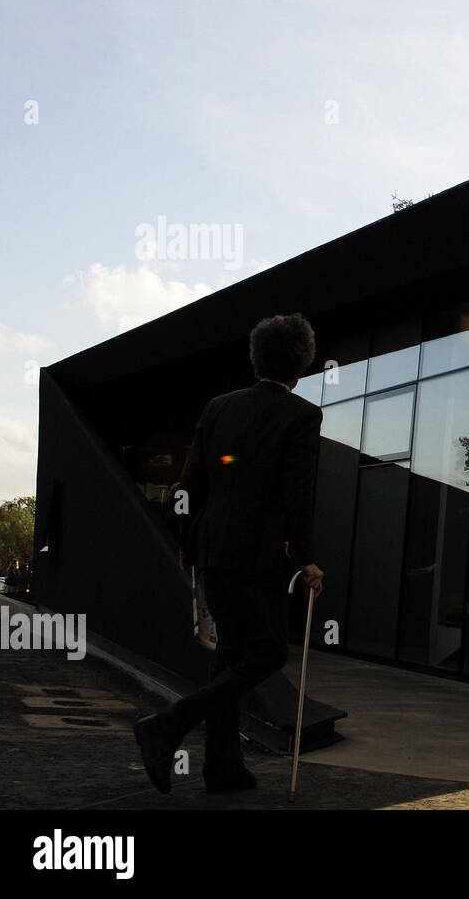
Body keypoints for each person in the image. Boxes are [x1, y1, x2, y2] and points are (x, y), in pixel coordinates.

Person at [133, 313, 325, 794]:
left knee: (230, 657)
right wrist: (304, 558)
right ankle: (167, 724)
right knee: (269, 651)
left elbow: (190, 483)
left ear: (256, 357)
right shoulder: (302, 415)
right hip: (256, 553)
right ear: (301, 363)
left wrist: (185, 541)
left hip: (211, 545)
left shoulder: (218, 407)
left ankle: (223, 767)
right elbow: (296, 492)